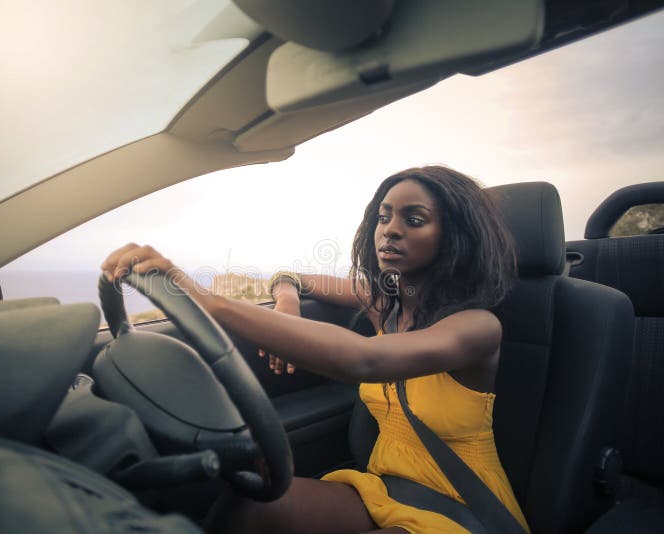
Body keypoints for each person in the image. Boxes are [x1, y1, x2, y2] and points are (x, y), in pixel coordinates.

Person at [101, 166, 530, 533]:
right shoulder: (386, 304)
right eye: (384, 217)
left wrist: (205, 300)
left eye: (414, 220)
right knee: (250, 509)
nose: (391, 229)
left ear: (455, 238)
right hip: (384, 486)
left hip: (460, 506)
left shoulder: (477, 328)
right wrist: (288, 302)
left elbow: (366, 359)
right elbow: (294, 276)